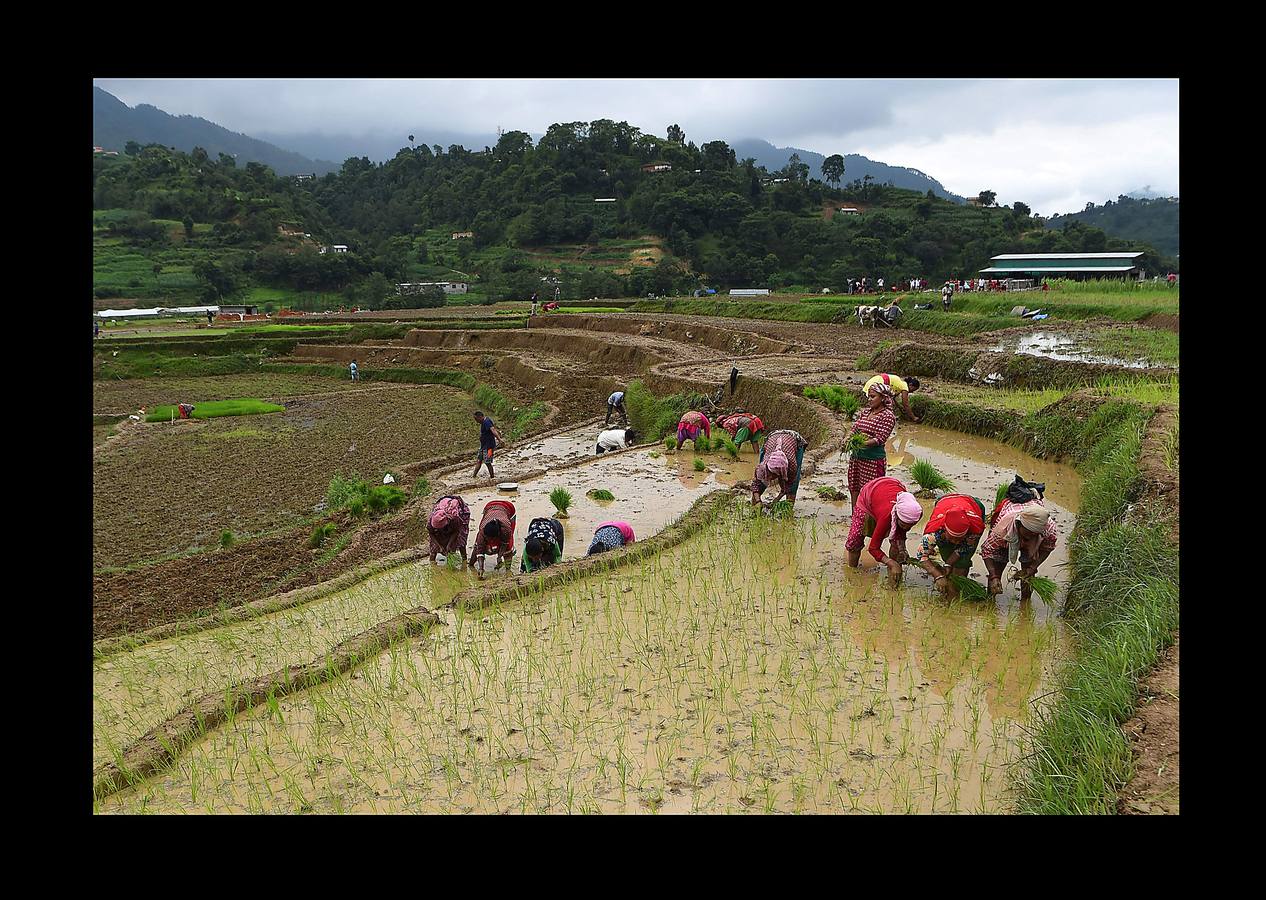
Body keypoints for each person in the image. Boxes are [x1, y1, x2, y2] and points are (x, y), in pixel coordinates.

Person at [846, 475, 924, 586]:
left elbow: (900, 534)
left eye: (910, 526)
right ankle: (852, 572)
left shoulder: (914, 512)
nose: (906, 529)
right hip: (869, 494)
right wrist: (890, 562)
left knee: (897, 543)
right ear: (896, 515)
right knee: (856, 538)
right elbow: (873, 548)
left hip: (891, 486)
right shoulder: (886, 516)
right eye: (903, 524)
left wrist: (902, 549)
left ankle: (894, 584)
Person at [980, 490, 1058, 600]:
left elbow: (1047, 548)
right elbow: (987, 550)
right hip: (1009, 535)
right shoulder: (1002, 529)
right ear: (1018, 524)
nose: (1030, 537)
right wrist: (993, 575)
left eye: (1034, 534)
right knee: (997, 566)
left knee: (1028, 574)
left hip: (1035, 532)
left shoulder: (1048, 529)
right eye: (1028, 533)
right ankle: (990, 599)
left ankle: (1025, 603)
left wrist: (1033, 567)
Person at [915, 493, 987, 597]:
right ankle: (948, 590)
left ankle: (956, 592)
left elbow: (964, 548)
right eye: (952, 538)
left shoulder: (975, 529)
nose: (956, 542)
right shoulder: (934, 533)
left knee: (962, 562)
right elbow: (921, 556)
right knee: (946, 553)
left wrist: (948, 564)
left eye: (959, 539)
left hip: (972, 505)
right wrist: (938, 576)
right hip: (944, 502)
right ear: (944, 531)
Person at [846, 383, 898, 501]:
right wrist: (848, 438)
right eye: (869, 396)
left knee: (871, 492)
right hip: (857, 458)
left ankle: (868, 514)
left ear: (883, 398)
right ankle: (855, 512)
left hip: (873, 461)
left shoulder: (887, 416)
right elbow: (855, 428)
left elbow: (879, 439)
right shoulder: (865, 412)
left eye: (873, 396)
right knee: (854, 488)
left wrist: (860, 444)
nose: (869, 399)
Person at [751, 428, 809, 507]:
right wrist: (758, 501)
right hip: (772, 437)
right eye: (770, 473)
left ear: (781, 472)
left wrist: (777, 499)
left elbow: (789, 484)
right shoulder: (762, 467)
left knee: (793, 483)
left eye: (773, 475)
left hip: (795, 440)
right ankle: (755, 505)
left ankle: (789, 507)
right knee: (761, 481)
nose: (771, 478)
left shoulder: (791, 465)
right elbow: (755, 483)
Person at [471, 499, 516, 577]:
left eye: (492, 539)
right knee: (478, 545)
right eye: (488, 538)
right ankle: (471, 564)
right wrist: (481, 568)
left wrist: (499, 556)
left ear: (498, 534)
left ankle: (508, 570)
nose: (490, 541)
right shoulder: (482, 531)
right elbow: (479, 549)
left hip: (509, 508)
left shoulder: (506, 530)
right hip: (490, 507)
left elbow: (505, 543)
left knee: (508, 547)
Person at [426, 495, 471, 566]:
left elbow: (456, 531)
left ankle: (464, 561)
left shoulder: (454, 518)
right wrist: (439, 546)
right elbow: (431, 533)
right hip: (444, 521)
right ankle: (432, 563)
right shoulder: (431, 520)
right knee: (434, 548)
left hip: (460, 516)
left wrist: (449, 545)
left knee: (461, 540)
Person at [472, 411, 504, 479]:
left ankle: (492, 477)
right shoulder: (484, 422)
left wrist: (499, 439)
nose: (476, 421)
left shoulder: (486, 422)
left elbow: (493, 430)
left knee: (487, 462)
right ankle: (473, 476)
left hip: (489, 447)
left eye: (476, 419)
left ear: (480, 417)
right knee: (479, 460)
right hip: (483, 446)